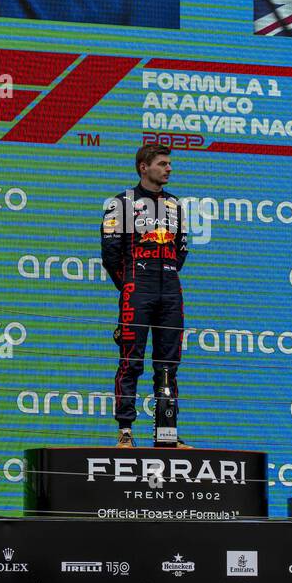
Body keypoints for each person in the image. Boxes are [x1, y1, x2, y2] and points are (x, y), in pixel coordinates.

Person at [102, 144, 189, 449]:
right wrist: (129, 286)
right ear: (144, 167)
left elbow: (182, 251)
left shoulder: (176, 205)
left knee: (168, 364)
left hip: (170, 288)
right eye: (163, 164)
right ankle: (125, 430)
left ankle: (167, 433)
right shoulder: (120, 203)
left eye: (169, 164)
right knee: (131, 360)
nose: (169, 169)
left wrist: (164, 271)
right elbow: (110, 255)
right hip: (138, 286)